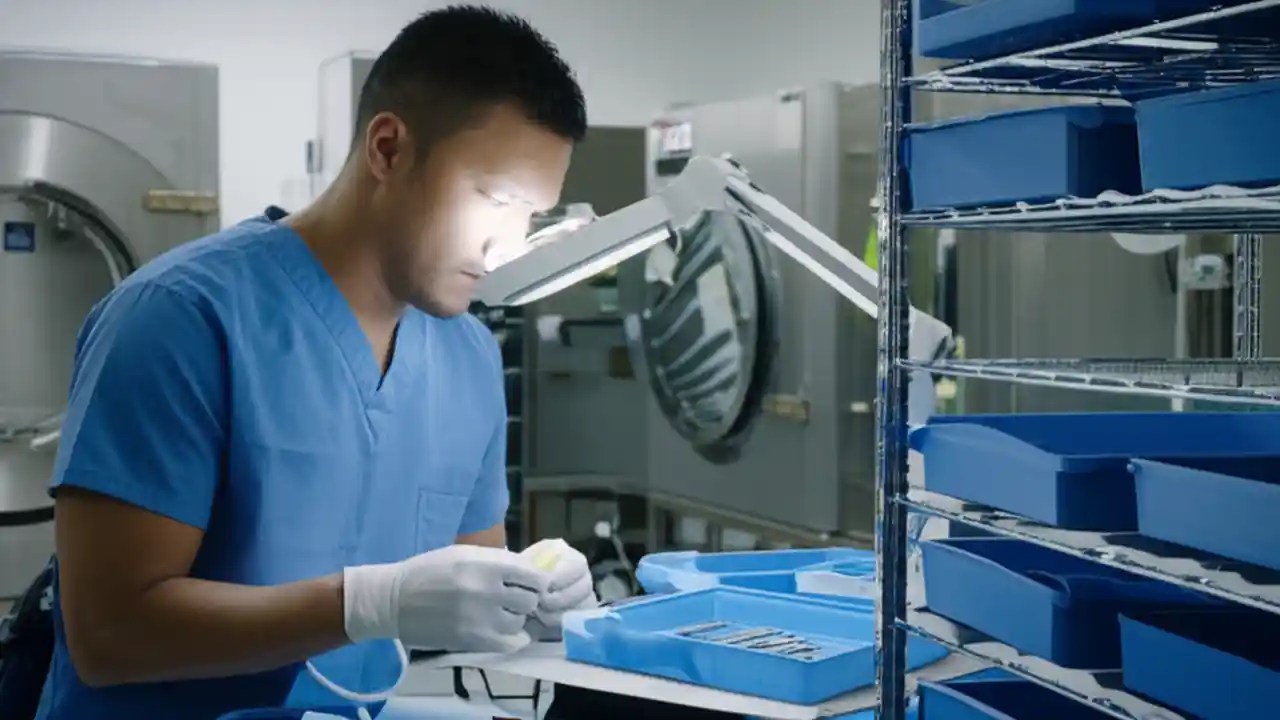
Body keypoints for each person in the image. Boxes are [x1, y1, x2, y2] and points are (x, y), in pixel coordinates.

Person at [35, 6, 597, 719]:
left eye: (533, 214)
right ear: (388, 149)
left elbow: (466, 605)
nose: (506, 242)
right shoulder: (180, 319)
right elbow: (110, 633)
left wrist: (532, 602)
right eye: (493, 197)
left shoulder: (468, 357)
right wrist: (366, 602)